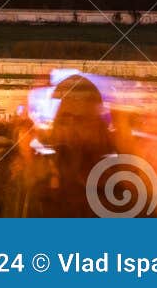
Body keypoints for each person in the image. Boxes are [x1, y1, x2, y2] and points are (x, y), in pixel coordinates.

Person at [17, 75, 118, 217]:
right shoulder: (34, 188)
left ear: (99, 128)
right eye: (63, 120)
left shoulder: (122, 191)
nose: (71, 130)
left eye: (81, 121)